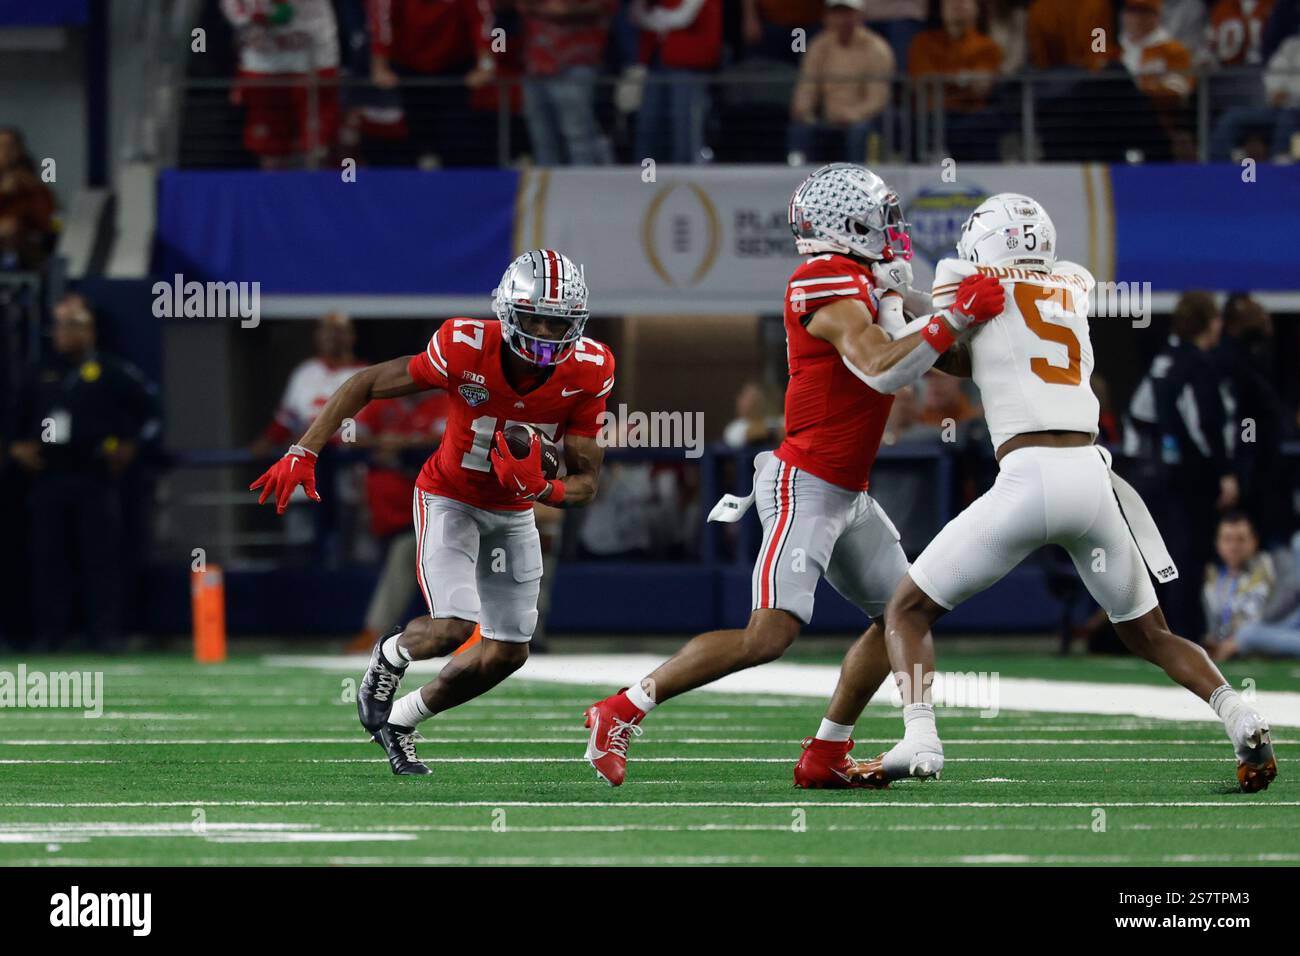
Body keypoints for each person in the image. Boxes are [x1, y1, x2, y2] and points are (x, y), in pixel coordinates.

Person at [581, 163, 1005, 788]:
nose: (893, 232)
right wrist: (949, 316)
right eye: (881, 220)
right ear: (849, 226)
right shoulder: (823, 277)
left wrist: (930, 308)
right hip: (804, 483)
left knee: (902, 615)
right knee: (767, 636)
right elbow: (882, 369)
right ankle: (620, 708)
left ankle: (827, 751)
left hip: (849, 492)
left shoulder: (863, 279)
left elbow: (957, 362)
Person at [856, 193, 1276, 793]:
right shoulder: (1072, 284)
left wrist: (895, 295)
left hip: (1027, 479)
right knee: (1149, 633)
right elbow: (984, 348)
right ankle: (1241, 714)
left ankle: (921, 737)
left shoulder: (965, 281)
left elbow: (931, 344)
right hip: (1089, 480)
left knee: (907, 610)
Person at [251, 249, 614, 775]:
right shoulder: (465, 346)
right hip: (450, 498)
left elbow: (584, 484)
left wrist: (542, 489)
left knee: (509, 654)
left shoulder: (589, 367)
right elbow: (366, 383)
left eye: (558, 322)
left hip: (512, 512)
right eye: (535, 317)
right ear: (508, 312)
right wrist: (304, 450)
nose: (545, 333)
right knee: (451, 628)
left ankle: (401, 720)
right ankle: (390, 655)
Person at [10, 294, 159, 650]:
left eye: (71, 324)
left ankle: (105, 633)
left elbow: (149, 412)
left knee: (101, 557)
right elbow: (16, 418)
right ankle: (50, 635)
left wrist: (130, 443)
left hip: (93, 472)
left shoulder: (112, 371)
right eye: (58, 324)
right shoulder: (40, 371)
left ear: (89, 330)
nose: (63, 332)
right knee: (47, 557)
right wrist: (17, 447)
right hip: (48, 474)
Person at [1123, 291, 1239, 638]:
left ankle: (1159, 630)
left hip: (1156, 474)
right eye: (1215, 319)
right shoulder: (1197, 363)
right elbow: (1204, 424)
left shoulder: (1165, 360)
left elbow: (1138, 414)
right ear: (1207, 323)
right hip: (1191, 477)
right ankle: (1187, 630)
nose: (1219, 326)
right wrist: (1224, 472)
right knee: (1190, 551)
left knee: (1165, 552)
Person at [221, 0, 342, 168]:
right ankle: (273, 192)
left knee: (318, 146)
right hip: (264, 63)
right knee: (270, 149)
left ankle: (319, 190)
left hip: (314, 58)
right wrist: (250, 22)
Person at [787, 1, 896, 164]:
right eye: (836, 13)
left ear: (860, 15)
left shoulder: (876, 49)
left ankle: (858, 182)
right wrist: (803, 109)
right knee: (800, 130)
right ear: (827, 17)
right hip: (827, 119)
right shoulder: (818, 46)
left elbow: (877, 99)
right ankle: (798, 180)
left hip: (863, 120)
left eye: (847, 13)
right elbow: (807, 88)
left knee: (859, 131)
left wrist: (851, 115)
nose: (842, 19)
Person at [518, 0, 616, 165]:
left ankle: (584, 186)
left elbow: (603, 6)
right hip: (536, 66)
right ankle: (547, 188)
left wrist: (557, 9)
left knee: (578, 135)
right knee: (542, 138)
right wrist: (549, 8)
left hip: (576, 63)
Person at [908, 0, 1004, 160]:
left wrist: (943, 80)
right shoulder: (922, 42)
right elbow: (922, 83)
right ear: (940, 8)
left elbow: (981, 87)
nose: (957, 3)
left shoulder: (988, 46)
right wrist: (962, 78)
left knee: (986, 123)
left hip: (972, 115)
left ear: (977, 8)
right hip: (932, 115)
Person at [630, 0, 723, 164]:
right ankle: (645, 178)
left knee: (683, 126)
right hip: (655, 60)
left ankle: (683, 178)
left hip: (687, 61)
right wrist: (656, 18)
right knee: (649, 124)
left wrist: (657, 19)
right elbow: (636, 13)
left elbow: (684, 17)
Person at [1202, 511, 1276, 658]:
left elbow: (1260, 617)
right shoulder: (1212, 576)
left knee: (1249, 635)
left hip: (1267, 633)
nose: (1234, 547)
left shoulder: (1268, 567)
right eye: (1227, 539)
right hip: (1226, 642)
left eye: (1241, 540)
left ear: (1254, 541)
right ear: (1217, 543)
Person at [0, 127, 55, 271]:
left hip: (24, 246)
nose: (5, 152)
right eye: (1, 146)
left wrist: (29, 188)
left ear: (19, 151)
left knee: (12, 228)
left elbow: (47, 221)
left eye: (10, 146)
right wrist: (4, 193)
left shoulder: (31, 186)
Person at [721, 381, 783, 449]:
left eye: (755, 397)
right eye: (748, 397)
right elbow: (746, 434)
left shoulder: (779, 420)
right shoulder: (735, 428)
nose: (755, 402)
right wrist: (772, 432)